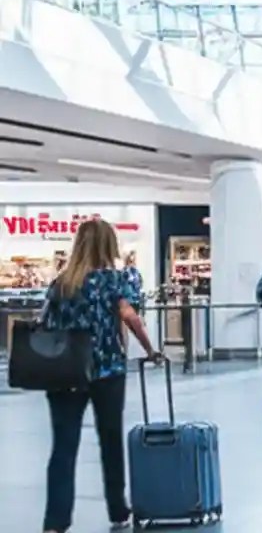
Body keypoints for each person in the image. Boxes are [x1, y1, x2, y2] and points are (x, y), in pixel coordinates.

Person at [40, 218, 164, 533]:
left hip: (64, 372)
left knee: (63, 447)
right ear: (109, 245)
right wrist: (150, 350)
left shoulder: (61, 283)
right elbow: (129, 315)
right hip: (107, 370)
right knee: (110, 439)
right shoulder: (113, 280)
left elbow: (46, 323)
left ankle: (55, 522)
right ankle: (118, 510)